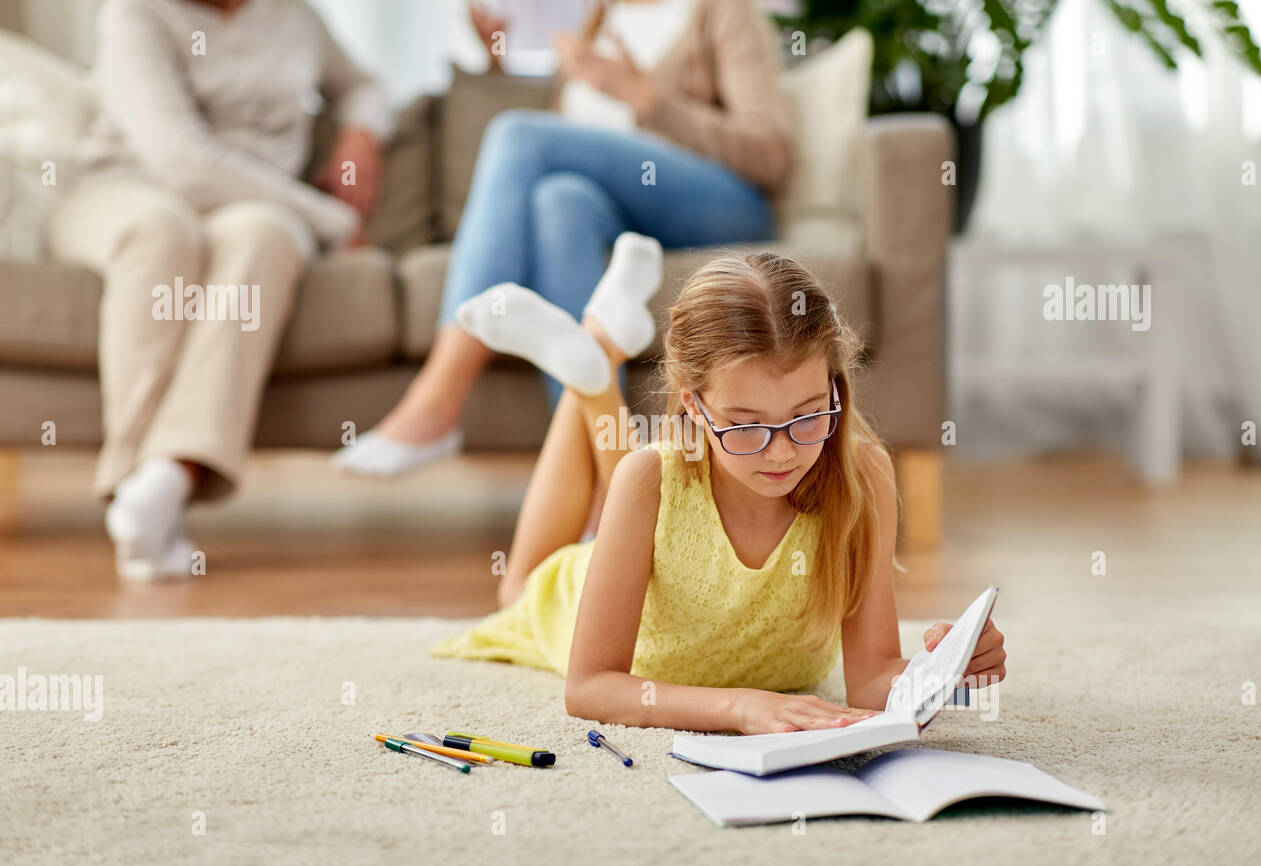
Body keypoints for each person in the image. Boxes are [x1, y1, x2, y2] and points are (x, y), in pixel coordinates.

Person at [429, 241, 1009, 734]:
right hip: (580, 594)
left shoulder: (864, 475)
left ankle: (593, 357)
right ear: (693, 403)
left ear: (836, 387)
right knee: (521, 588)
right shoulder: (651, 479)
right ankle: (593, 358)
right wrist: (739, 706)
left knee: (645, 482)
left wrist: (945, 673)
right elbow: (588, 689)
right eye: (747, 425)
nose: (781, 451)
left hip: (664, 511)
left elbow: (873, 677)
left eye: (807, 415)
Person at [332, 0, 796, 477]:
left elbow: (770, 153)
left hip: (722, 203)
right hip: (615, 210)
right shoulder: (598, 18)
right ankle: (599, 472)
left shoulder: (720, 12)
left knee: (516, 135)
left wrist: (645, 99)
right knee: (559, 203)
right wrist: (498, 63)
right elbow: (581, 135)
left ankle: (437, 400)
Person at [46, 0, 391, 579]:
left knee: (266, 236)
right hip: (125, 189)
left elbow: (364, 83)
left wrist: (362, 132)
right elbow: (181, 159)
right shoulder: (133, 14)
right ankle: (132, 481)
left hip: (251, 204)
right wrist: (331, 219)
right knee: (163, 232)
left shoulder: (293, 16)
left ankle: (167, 479)